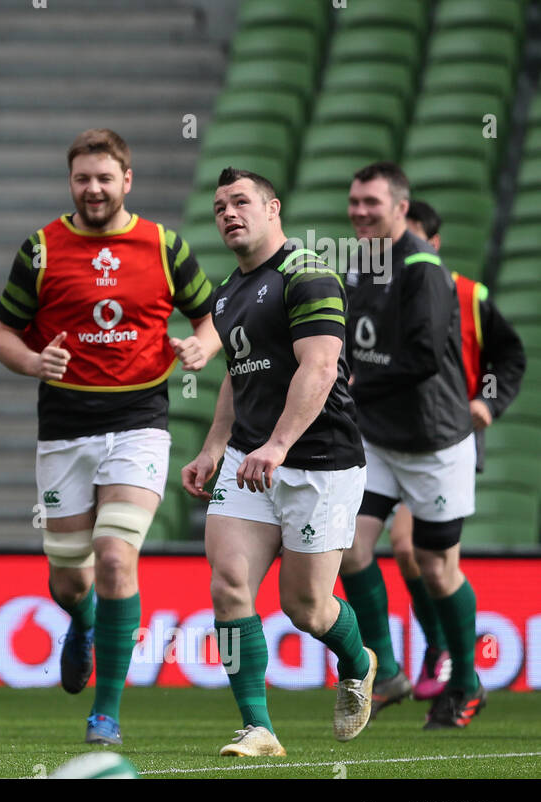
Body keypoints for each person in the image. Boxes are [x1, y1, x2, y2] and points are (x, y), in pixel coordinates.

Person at [0, 129, 221, 745]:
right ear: (72, 183)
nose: (93, 189)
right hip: (64, 430)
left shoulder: (165, 245)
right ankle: (83, 622)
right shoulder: (39, 249)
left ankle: (106, 713)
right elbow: (2, 336)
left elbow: (210, 318)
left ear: (127, 180)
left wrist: (202, 344)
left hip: (140, 423)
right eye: (82, 179)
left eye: (104, 177)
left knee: (116, 558)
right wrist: (34, 362)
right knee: (70, 579)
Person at [182, 167, 376, 756]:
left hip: (319, 461)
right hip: (249, 460)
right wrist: (217, 445)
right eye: (219, 207)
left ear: (273, 208)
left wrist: (279, 444)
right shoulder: (226, 294)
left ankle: (358, 661)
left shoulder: (308, 273)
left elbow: (318, 368)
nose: (228, 213)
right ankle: (258, 726)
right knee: (229, 584)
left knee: (307, 609)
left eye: (241, 201)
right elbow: (236, 377)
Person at [338, 163, 486, 730]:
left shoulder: (423, 268)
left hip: (434, 442)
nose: (359, 212)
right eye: (354, 202)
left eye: (371, 202)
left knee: (436, 566)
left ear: (401, 208)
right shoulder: (361, 266)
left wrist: (354, 385)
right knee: (350, 547)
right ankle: (388, 669)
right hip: (378, 439)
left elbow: (424, 358)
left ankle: (467, 683)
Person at [363, 200, 525, 707]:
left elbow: (509, 355)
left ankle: (449, 660)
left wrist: (489, 399)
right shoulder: (373, 291)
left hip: (444, 437)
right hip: (386, 435)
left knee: (414, 551)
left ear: (431, 245)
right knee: (366, 549)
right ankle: (426, 653)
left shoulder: (469, 296)